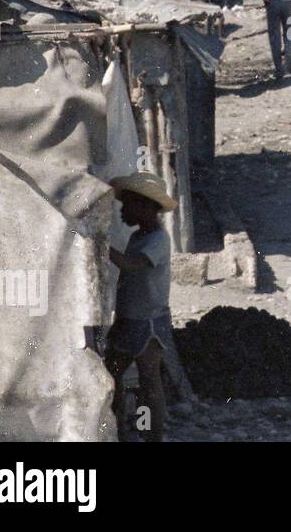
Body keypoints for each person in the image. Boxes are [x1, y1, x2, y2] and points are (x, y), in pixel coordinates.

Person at [104, 170, 177, 442]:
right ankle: (123, 429)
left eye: (127, 206)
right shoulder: (138, 237)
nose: (122, 212)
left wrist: (99, 242)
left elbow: (130, 265)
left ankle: (150, 434)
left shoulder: (158, 240)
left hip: (148, 323)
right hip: (129, 318)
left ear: (146, 207)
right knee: (112, 375)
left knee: (149, 382)